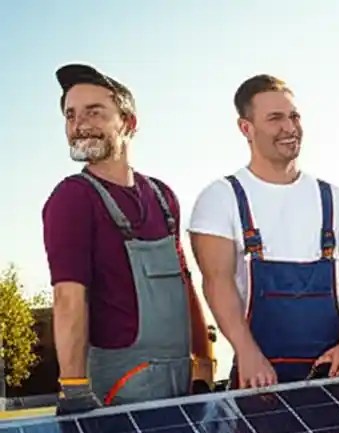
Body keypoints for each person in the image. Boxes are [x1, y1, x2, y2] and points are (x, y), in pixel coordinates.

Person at [42, 63, 212, 414]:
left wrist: (204, 362)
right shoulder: (72, 198)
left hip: (179, 381)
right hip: (117, 390)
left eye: (94, 112)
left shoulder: (163, 196)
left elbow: (184, 281)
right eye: (71, 115)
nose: (79, 124)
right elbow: (68, 298)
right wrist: (73, 387)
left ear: (129, 123)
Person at [189, 74, 339, 389]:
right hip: (258, 378)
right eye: (275, 118)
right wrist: (247, 353)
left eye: (294, 117)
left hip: (332, 374)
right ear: (246, 128)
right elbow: (217, 282)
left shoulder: (335, 200)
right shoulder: (221, 198)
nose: (290, 128)